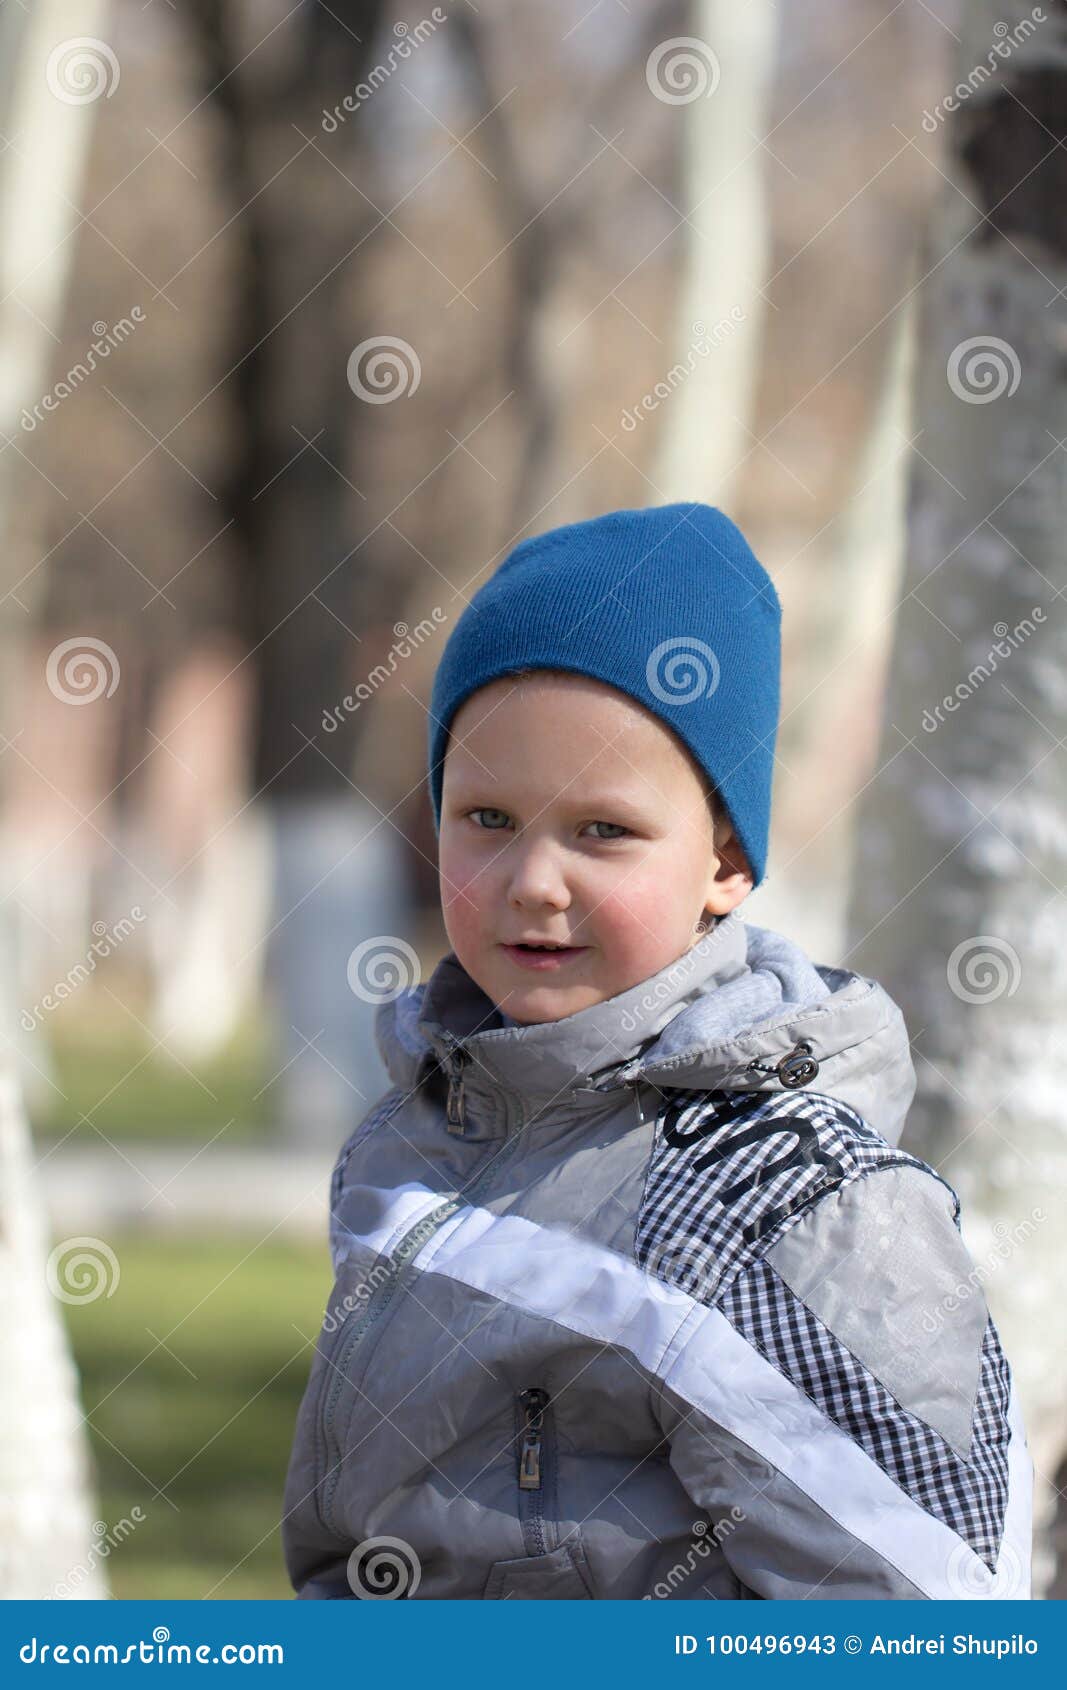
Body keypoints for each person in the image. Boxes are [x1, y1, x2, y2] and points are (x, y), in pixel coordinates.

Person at [281, 501, 1032, 1600]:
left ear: (724, 861)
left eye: (601, 831)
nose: (532, 881)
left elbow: (923, 1622)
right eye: (486, 817)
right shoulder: (413, 1137)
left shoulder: (790, 1206)